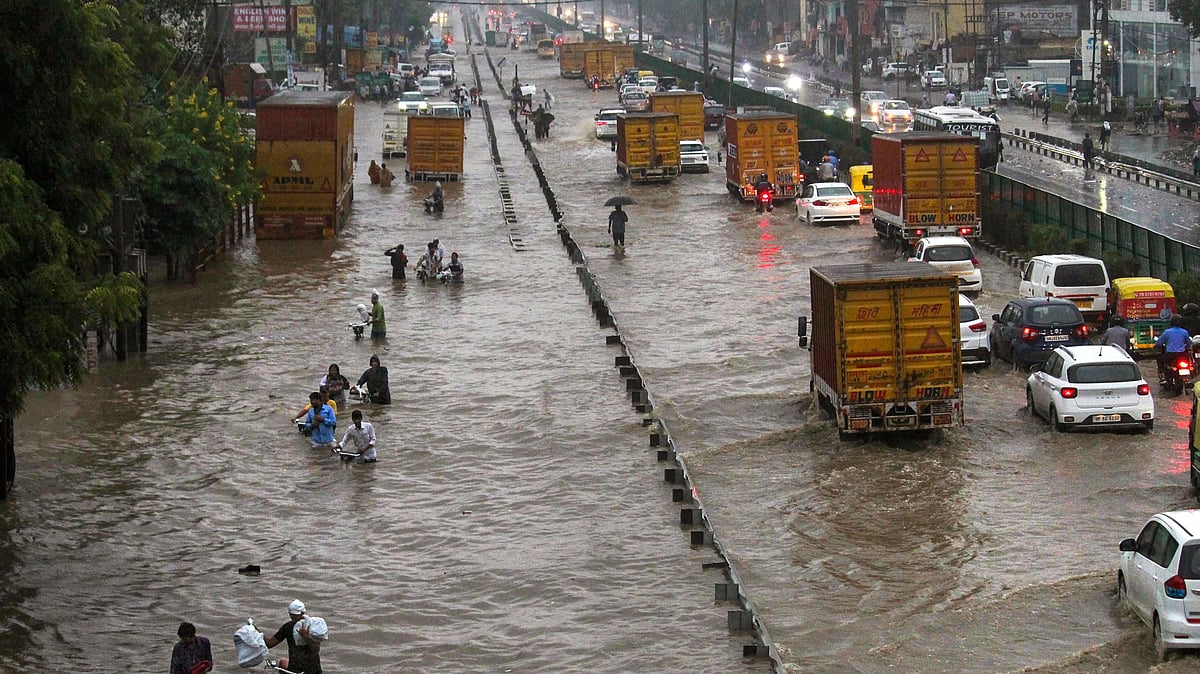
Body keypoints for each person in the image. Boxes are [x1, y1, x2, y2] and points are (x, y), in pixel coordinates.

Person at [263, 600, 322, 674]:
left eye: (294, 615)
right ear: (303, 613)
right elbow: (316, 649)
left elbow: (269, 644)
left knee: (283, 662)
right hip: (314, 669)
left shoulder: (288, 627)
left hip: (296, 669)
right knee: (283, 662)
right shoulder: (313, 626)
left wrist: (258, 633)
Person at [1156, 314, 1192, 384]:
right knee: (1189, 363)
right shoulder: (1184, 332)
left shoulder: (1167, 332)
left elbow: (1159, 343)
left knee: (1159, 359)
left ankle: (1163, 375)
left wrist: (1156, 345)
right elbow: (1188, 343)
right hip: (1182, 355)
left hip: (1171, 355)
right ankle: (1187, 378)